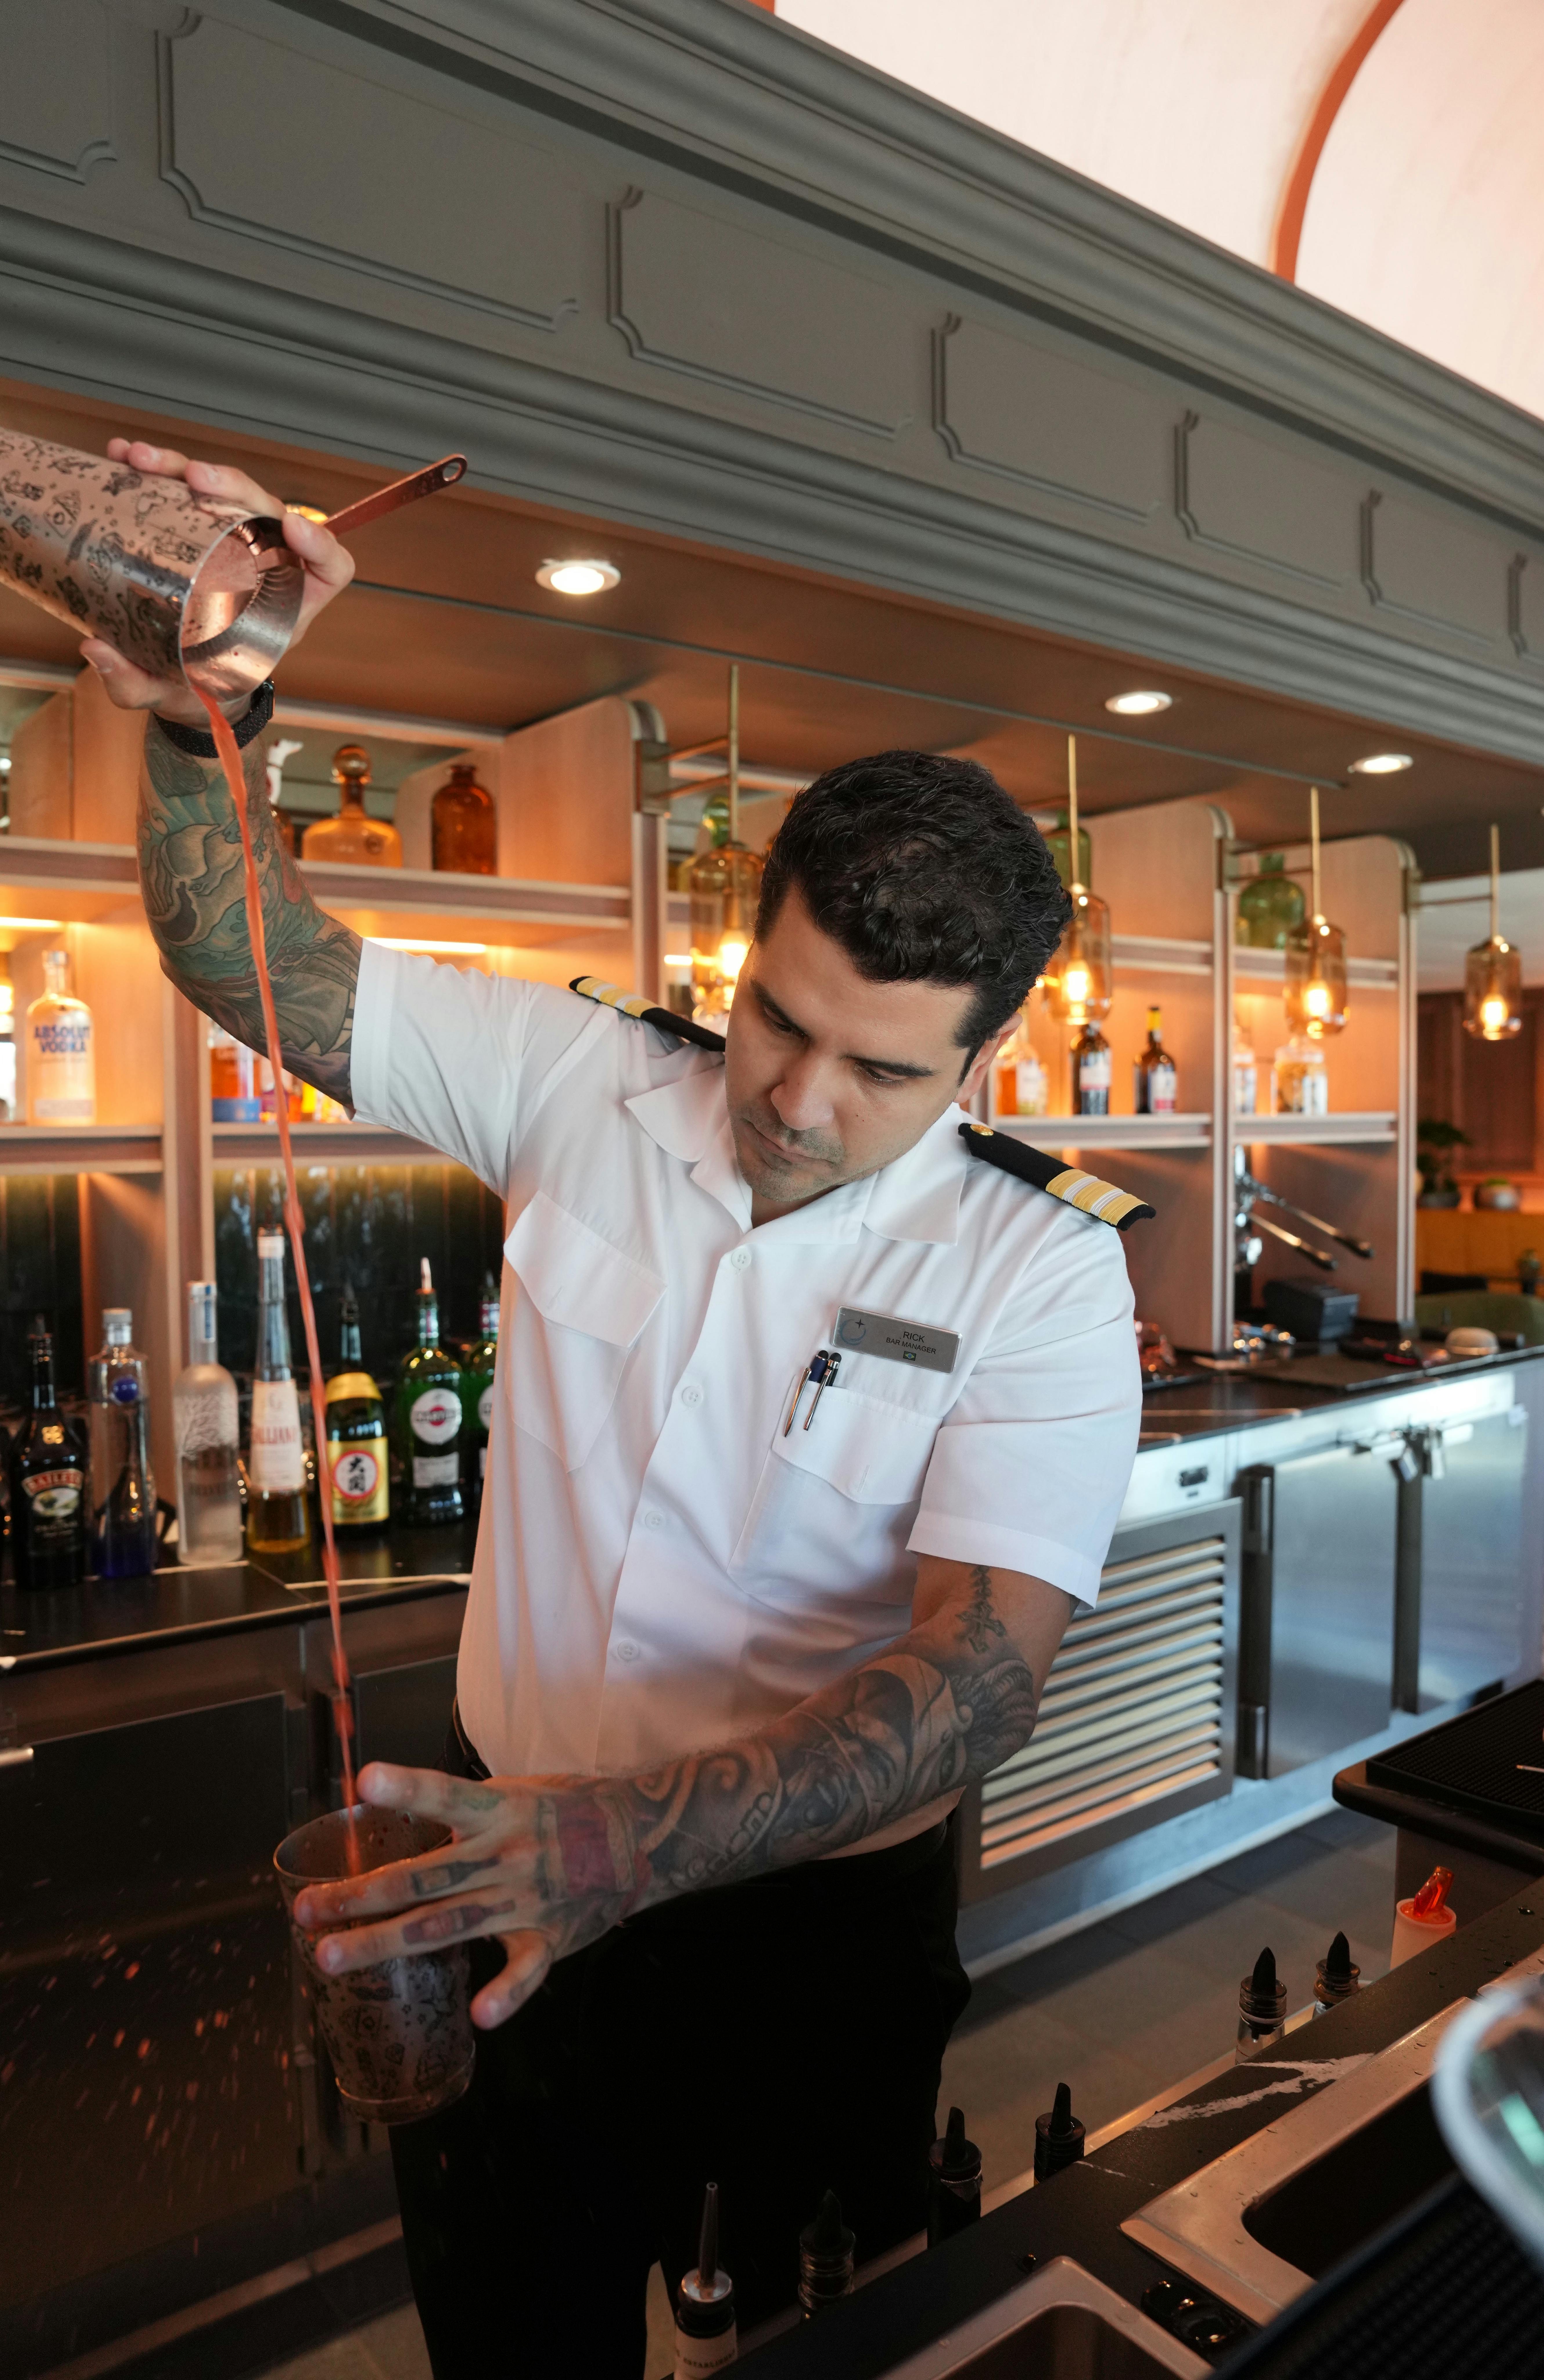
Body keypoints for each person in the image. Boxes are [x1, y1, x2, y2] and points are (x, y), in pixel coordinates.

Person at [94, 441, 1144, 2376]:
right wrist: (198, 721)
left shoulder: (1041, 1270)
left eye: (883, 1072)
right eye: (778, 1019)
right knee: (513, 2346)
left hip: (811, 1944)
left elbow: (980, 1677)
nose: (800, 1101)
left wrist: (630, 1849)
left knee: (828, 2342)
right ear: (743, 954)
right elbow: (252, 958)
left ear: (989, 1053)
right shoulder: (580, 1079)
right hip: (500, 1872)